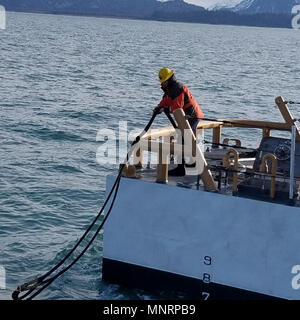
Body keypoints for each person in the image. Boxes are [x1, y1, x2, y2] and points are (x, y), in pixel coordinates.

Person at [155, 67, 204, 176]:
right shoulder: (170, 89)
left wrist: (165, 109)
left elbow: (177, 108)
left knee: (182, 140)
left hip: (191, 116)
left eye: (163, 81)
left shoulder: (177, 89)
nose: (162, 84)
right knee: (187, 139)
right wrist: (159, 107)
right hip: (188, 116)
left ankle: (180, 168)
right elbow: (167, 100)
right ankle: (192, 162)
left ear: (168, 80)